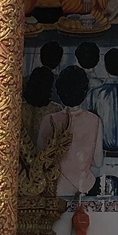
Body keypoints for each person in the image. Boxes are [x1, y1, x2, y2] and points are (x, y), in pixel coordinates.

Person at [37, 65, 104, 197]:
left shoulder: (48, 120)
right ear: (85, 92)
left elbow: (40, 158)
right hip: (84, 187)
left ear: (59, 91)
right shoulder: (94, 120)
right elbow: (98, 161)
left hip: (54, 188)